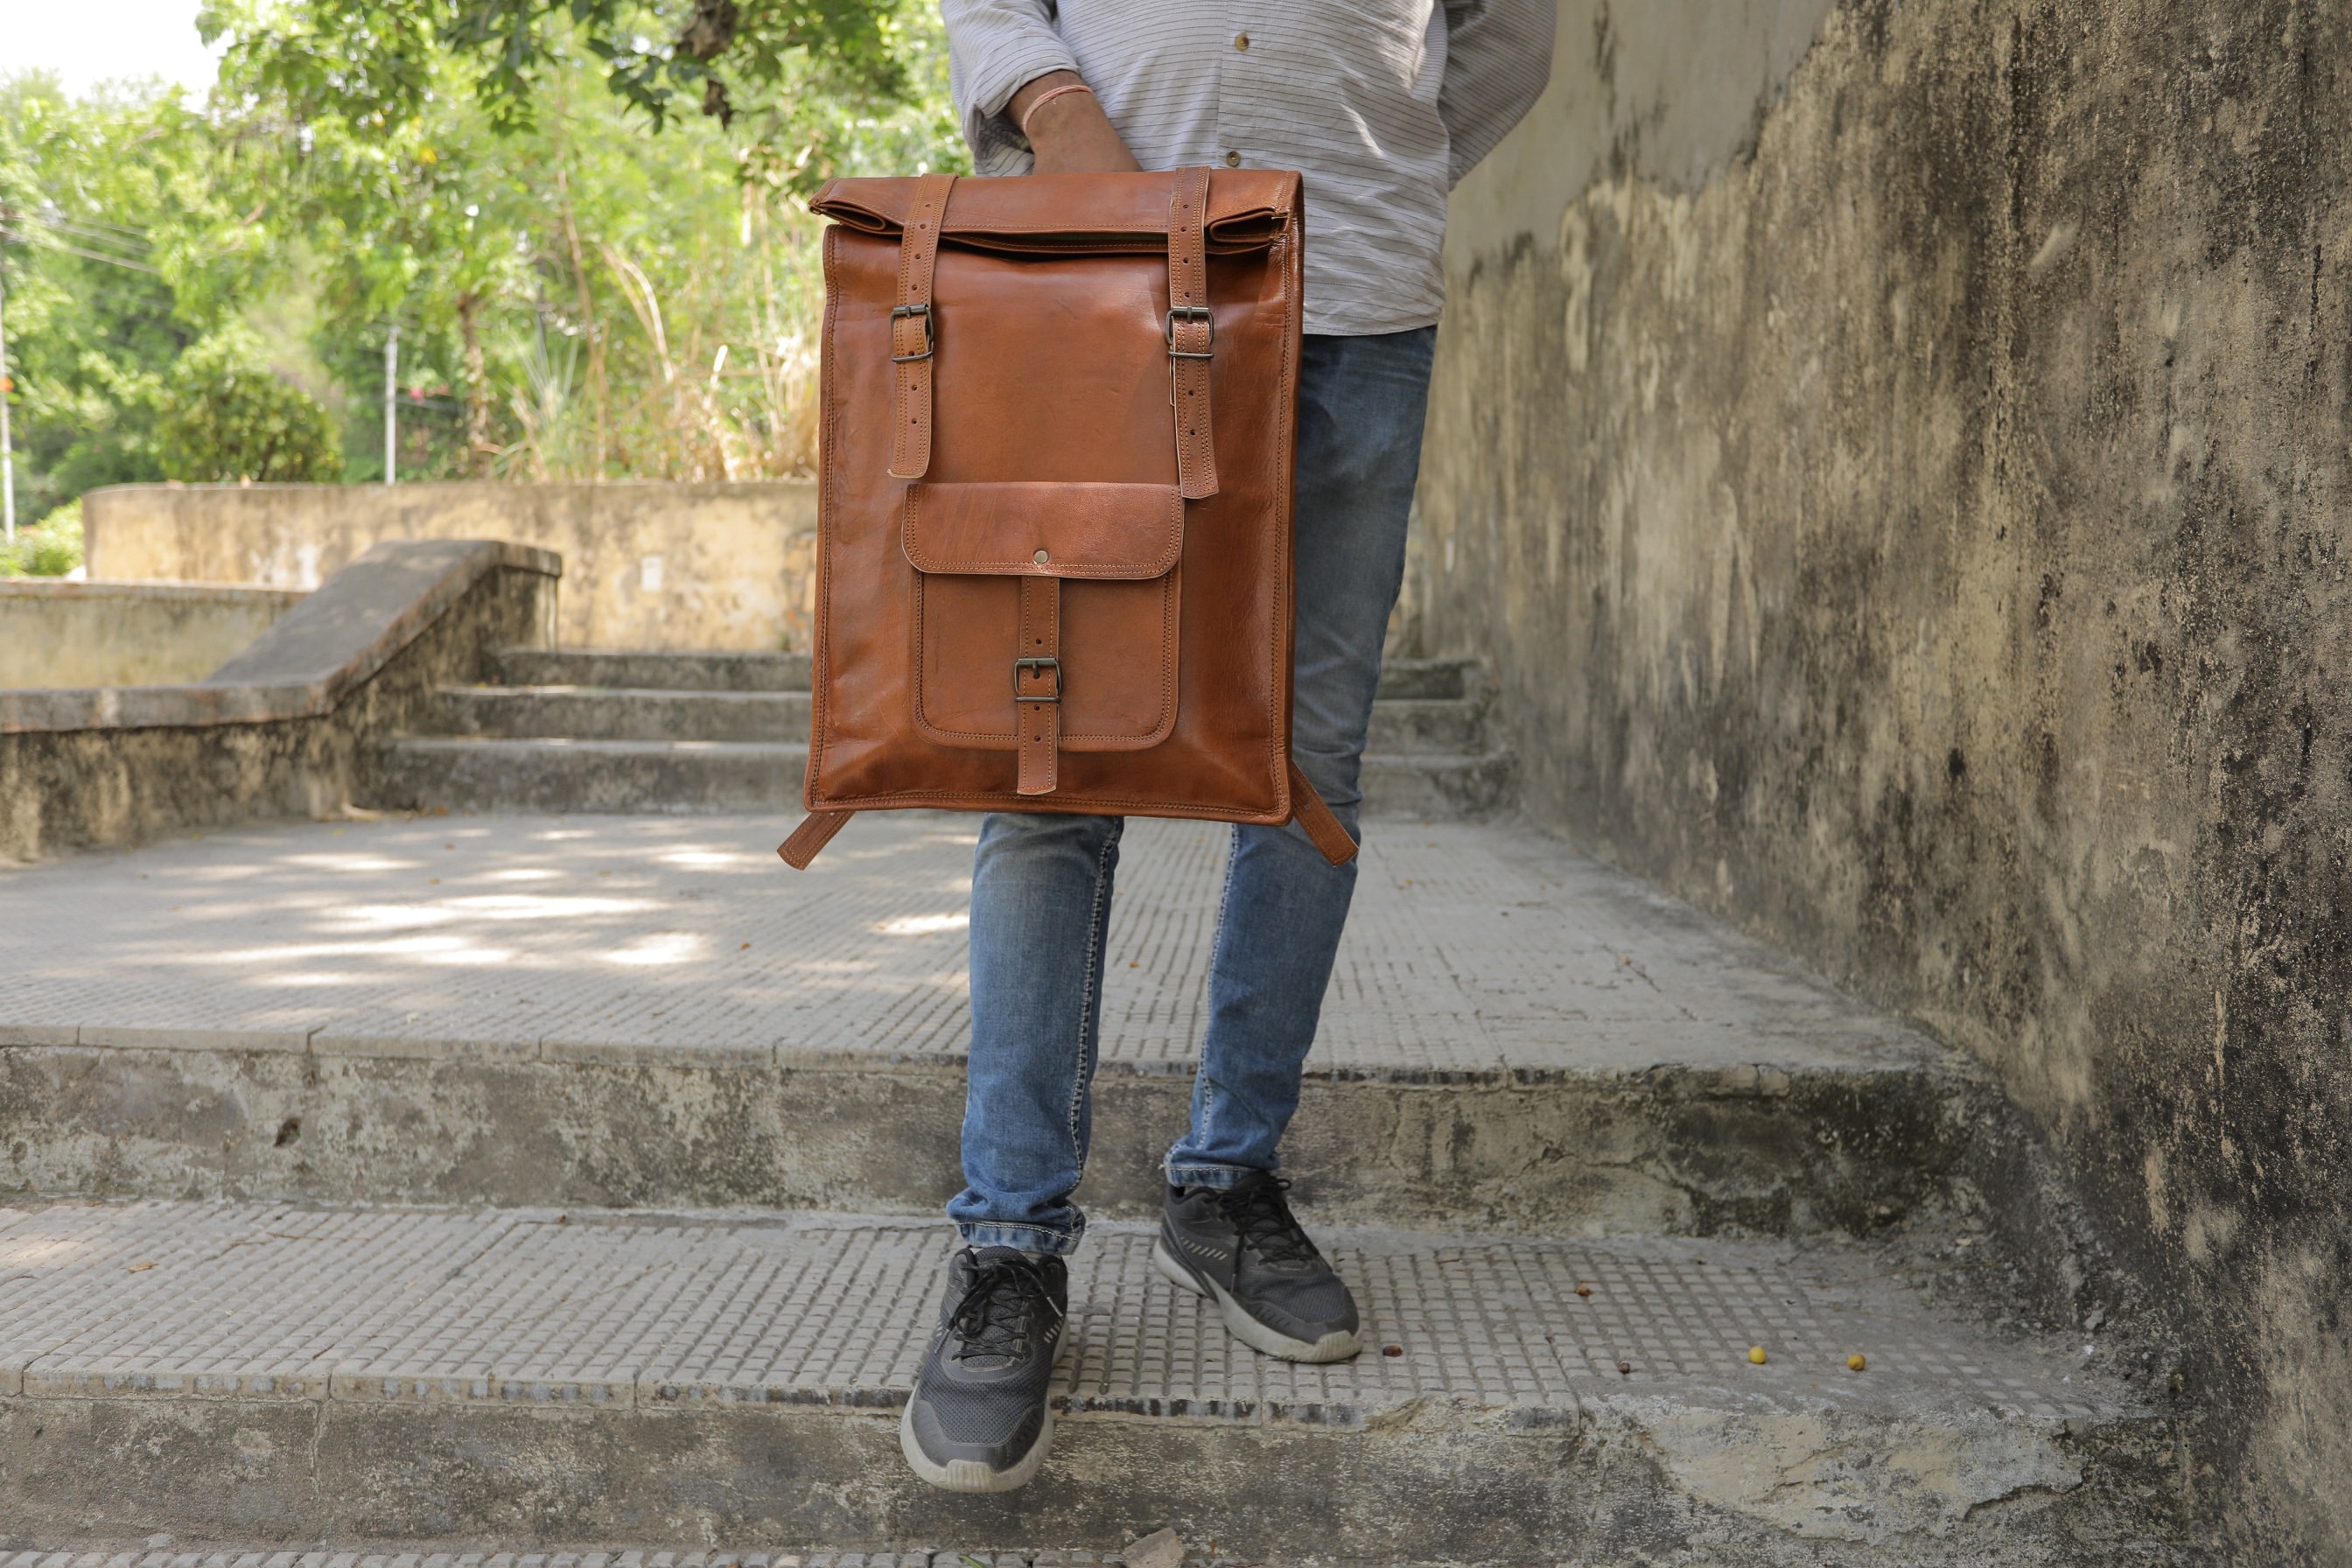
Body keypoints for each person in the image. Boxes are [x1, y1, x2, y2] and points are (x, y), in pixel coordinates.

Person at [900, 0, 1556, 1494]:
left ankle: (1227, 1181)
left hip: (1359, 302)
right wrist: (1069, 125)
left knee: (1308, 763)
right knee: (1050, 761)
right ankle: (1010, 1241)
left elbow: (1510, 33)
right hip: (1099, 277)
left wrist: (1382, 160)